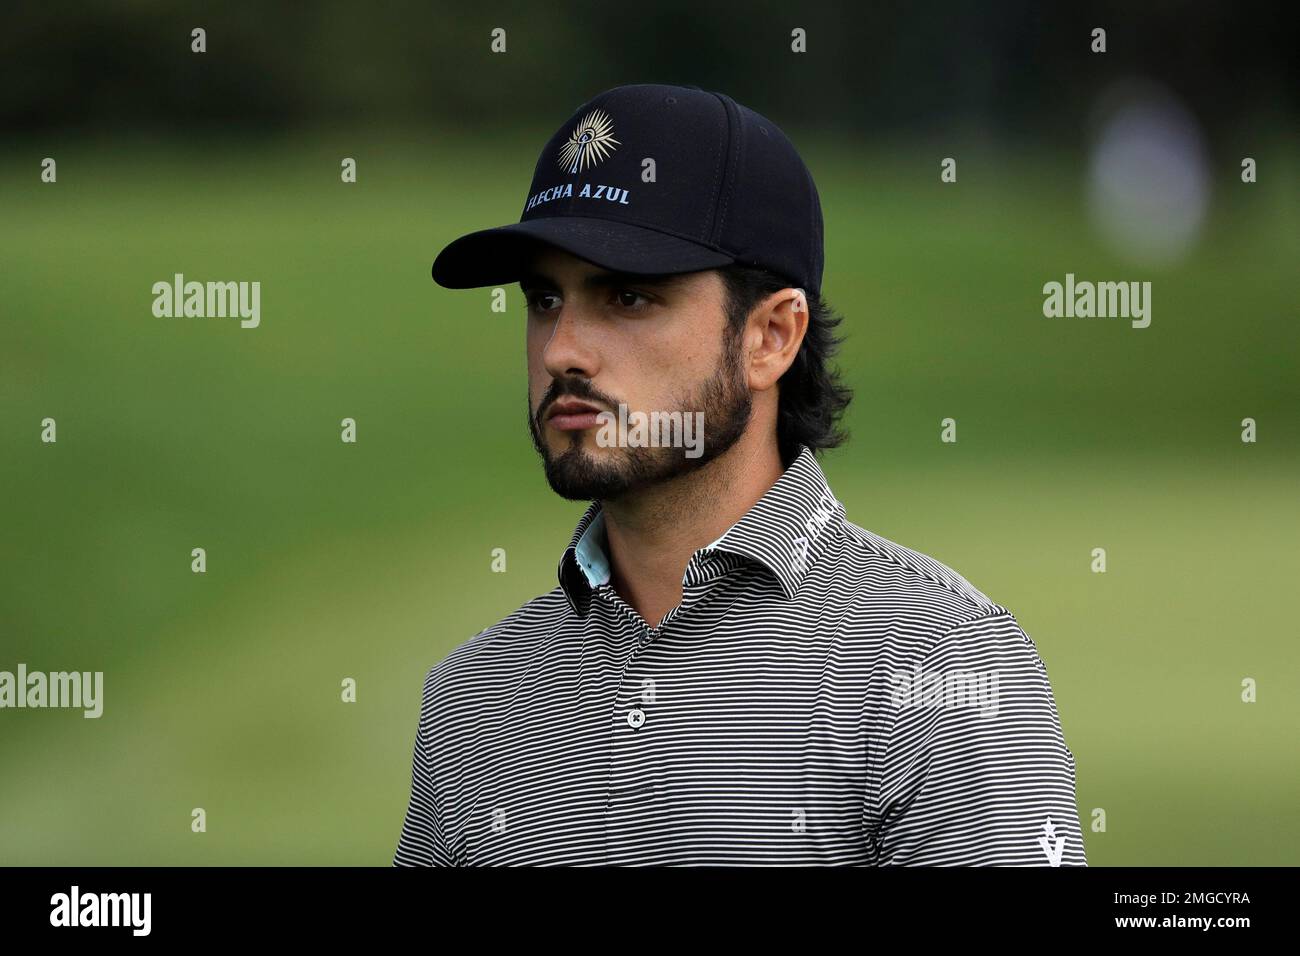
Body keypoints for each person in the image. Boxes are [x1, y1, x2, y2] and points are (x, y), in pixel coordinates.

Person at [394, 82, 1086, 865]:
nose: (561, 350)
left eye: (626, 296)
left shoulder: (939, 662)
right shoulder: (469, 699)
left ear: (771, 337)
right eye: (544, 298)